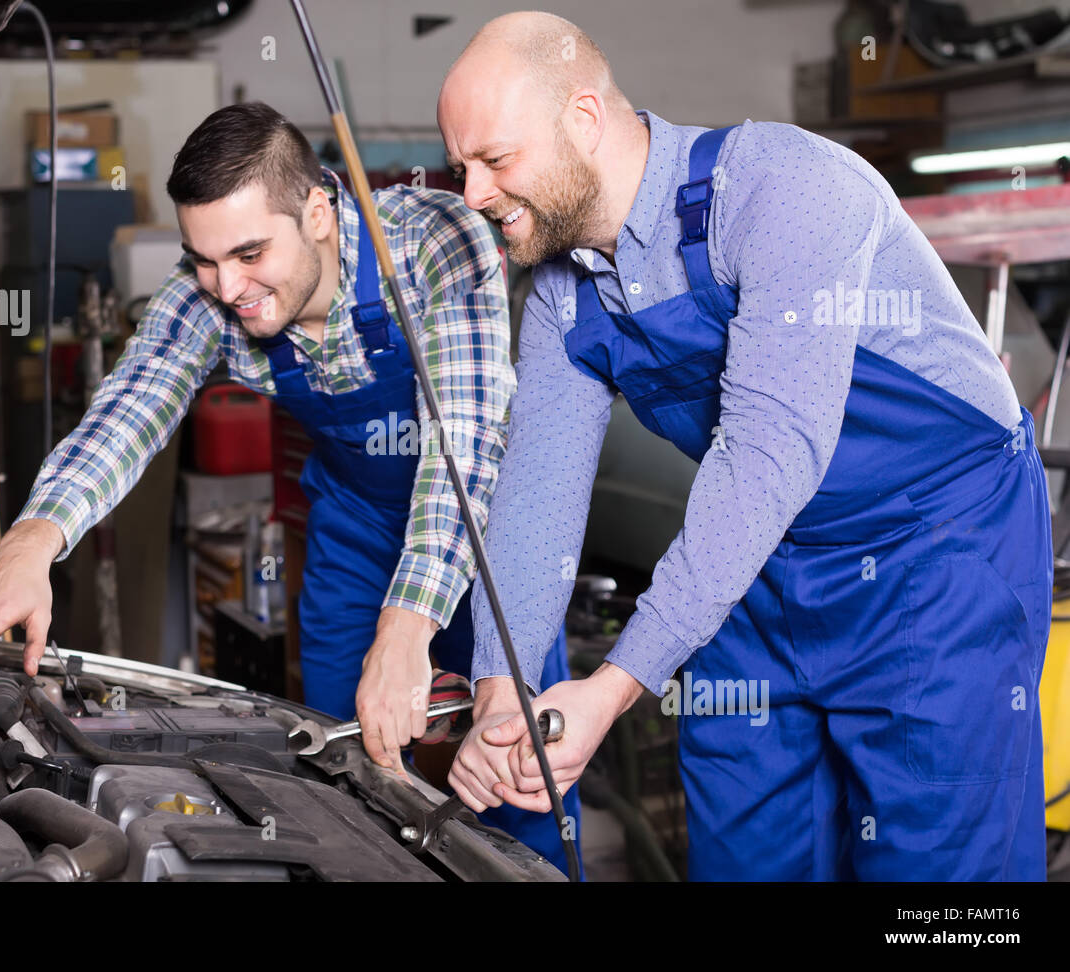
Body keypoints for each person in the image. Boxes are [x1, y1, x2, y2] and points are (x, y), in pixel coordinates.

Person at [438, 12, 1051, 880]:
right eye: (461, 166)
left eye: (494, 161)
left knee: (938, 867)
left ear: (582, 119)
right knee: (745, 841)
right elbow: (536, 502)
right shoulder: (562, 297)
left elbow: (768, 457)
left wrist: (613, 689)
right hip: (758, 563)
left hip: (938, 553)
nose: (472, 193)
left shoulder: (785, 190)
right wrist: (503, 699)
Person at [0, 101, 580, 873]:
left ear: (317, 212)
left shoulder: (437, 242)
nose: (225, 285)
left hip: (485, 526)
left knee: (517, 764)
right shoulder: (206, 289)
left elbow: (464, 445)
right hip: (355, 528)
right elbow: (131, 408)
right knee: (345, 772)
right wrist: (32, 541)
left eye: (247, 253)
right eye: (202, 258)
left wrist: (406, 627)